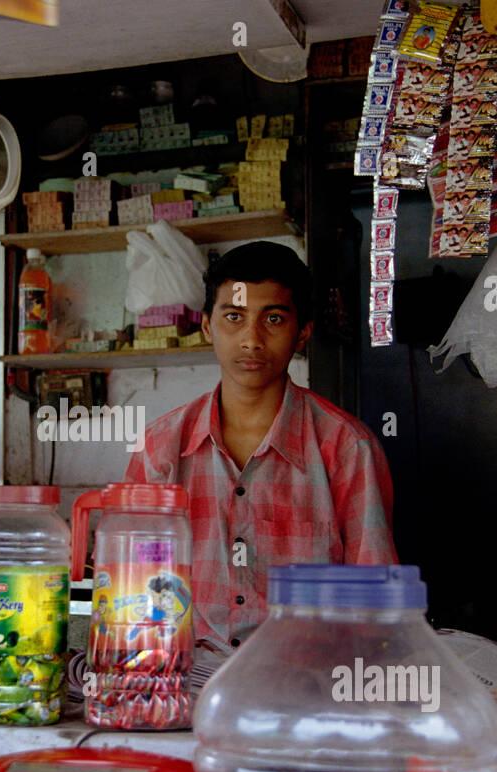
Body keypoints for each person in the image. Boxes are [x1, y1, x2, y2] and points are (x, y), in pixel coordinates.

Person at [124, 242, 397, 651]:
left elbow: (375, 604)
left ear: (302, 331)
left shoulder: (346, 448)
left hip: (306, 680)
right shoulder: (159, 446)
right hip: (185, 681)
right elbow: (133, 591)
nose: (251, 339)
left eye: (272, 318)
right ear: (206, 327)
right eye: (234, 317)